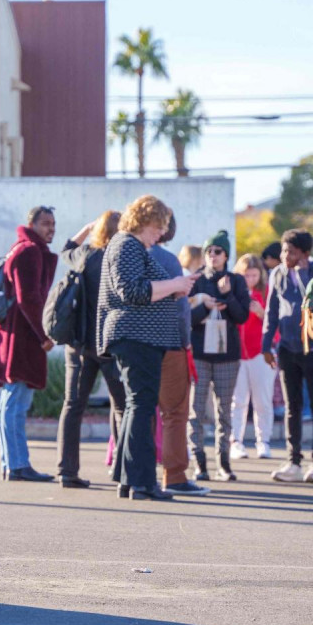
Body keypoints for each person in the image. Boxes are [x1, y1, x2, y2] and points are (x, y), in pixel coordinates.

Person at [97, 195, 199, 500]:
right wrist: (176, 285)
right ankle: (142, 482)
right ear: (144, 220)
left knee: (135, 406)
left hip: (139, 337)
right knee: (141, 406)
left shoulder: (128, 245)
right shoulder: (126, 244)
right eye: (158, 226)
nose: (161, 233)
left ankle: (129, 479)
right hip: (137, 338)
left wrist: (172, 289)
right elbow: (132, 291)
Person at [55, 211, 127, 489]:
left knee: (73, 406)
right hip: (110, 344)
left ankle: (67, 470)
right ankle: (123, 471)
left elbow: (65, 249)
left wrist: (86, 228)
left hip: (79, 344)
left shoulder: (84, 254)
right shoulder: (119, 259)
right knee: (122, 407)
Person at [0, 206, 58, 482]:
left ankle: (10, 463)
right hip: (23, 337)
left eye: (53, 224)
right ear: (32, 224)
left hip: (13, 334)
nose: (50, 228)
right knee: (16, 402)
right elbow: (28, 297)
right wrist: (44, 335)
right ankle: (17, 465)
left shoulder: (21, 248)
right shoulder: (29, 251)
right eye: (45, 224)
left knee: (9, 400)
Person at [148, 215, 211, 496]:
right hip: (170, 345)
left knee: (141, 411)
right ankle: (174, 476)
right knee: (175, 413)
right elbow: (181, 310)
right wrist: (186, 344)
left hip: (138, 346)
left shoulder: (125, 254)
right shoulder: (167, 260)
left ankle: (136, 473)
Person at [264, 229, 313, 484]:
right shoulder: (277, 274)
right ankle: (293, 460)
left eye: (291, 252)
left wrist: (303, 273)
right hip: (288, 348)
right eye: (283, 250)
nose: (285, 256)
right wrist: (266, 344)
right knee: (292, 407)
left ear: (304, 253)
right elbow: (271, 309)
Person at [187, 230, 251, 482]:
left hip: (227, 355)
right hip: (200, 354)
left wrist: (227, 295)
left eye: (218, 251)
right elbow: (187, 319)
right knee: (197, 410)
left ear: (226, 255)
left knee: (224, 410)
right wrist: (205, 307)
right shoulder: (196, 281)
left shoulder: (235, 281)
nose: (213, 256)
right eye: (209, 251)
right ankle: (199, 463)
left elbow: (242, 316)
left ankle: (223, 463)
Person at [230, 253, 276, 459]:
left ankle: (263, 441)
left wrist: (261, 313)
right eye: (245, 275)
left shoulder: (267, 293)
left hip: (261, 353)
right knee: (237, 400)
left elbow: (277, 328)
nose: (249, 279)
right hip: (236, 354)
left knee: (262, 401)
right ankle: (236, 441)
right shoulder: (234, 292)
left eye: (253, 275)